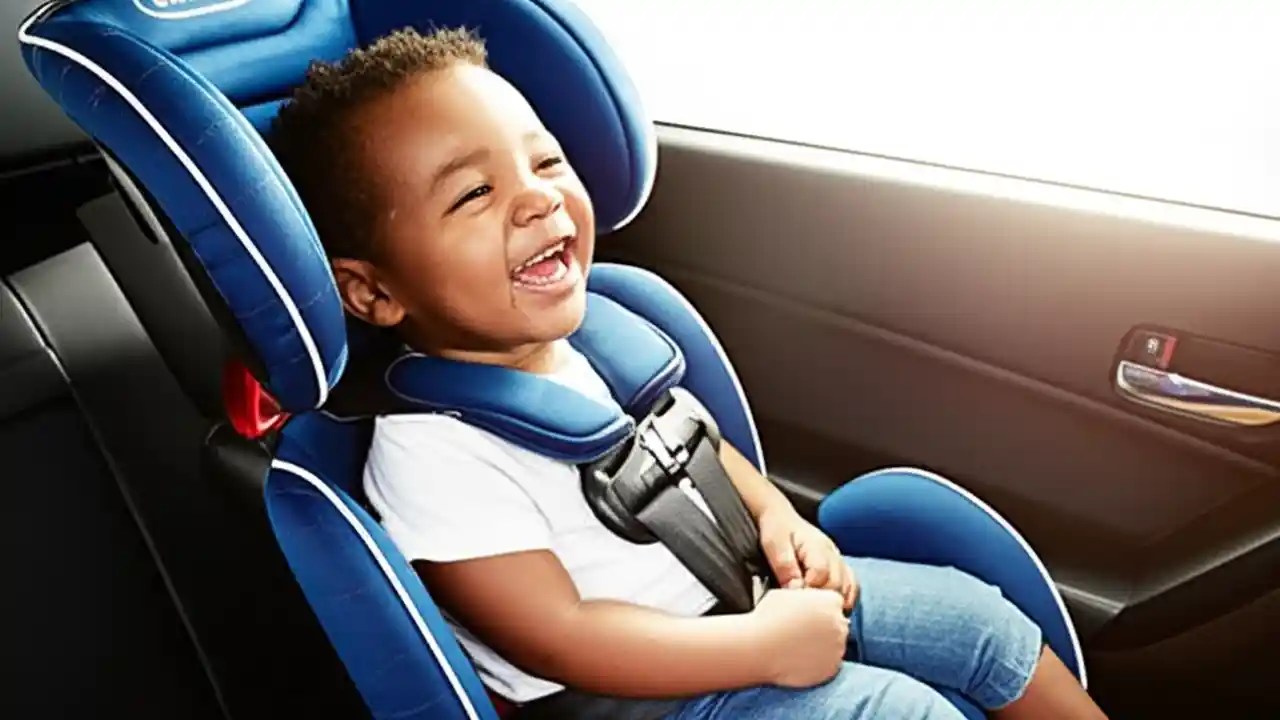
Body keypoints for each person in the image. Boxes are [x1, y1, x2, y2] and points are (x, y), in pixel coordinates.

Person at [269, 26, 1108, 720]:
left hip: (738, 598)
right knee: (898, 712)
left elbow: (693, 448)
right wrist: (762, 650)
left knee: (979, 623)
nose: (537, 200)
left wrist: (782, 522)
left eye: (546, 162)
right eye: (474, 194)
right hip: (639, 698)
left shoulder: (601, 336)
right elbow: (556, 635)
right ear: (371, 291)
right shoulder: (433, 453)